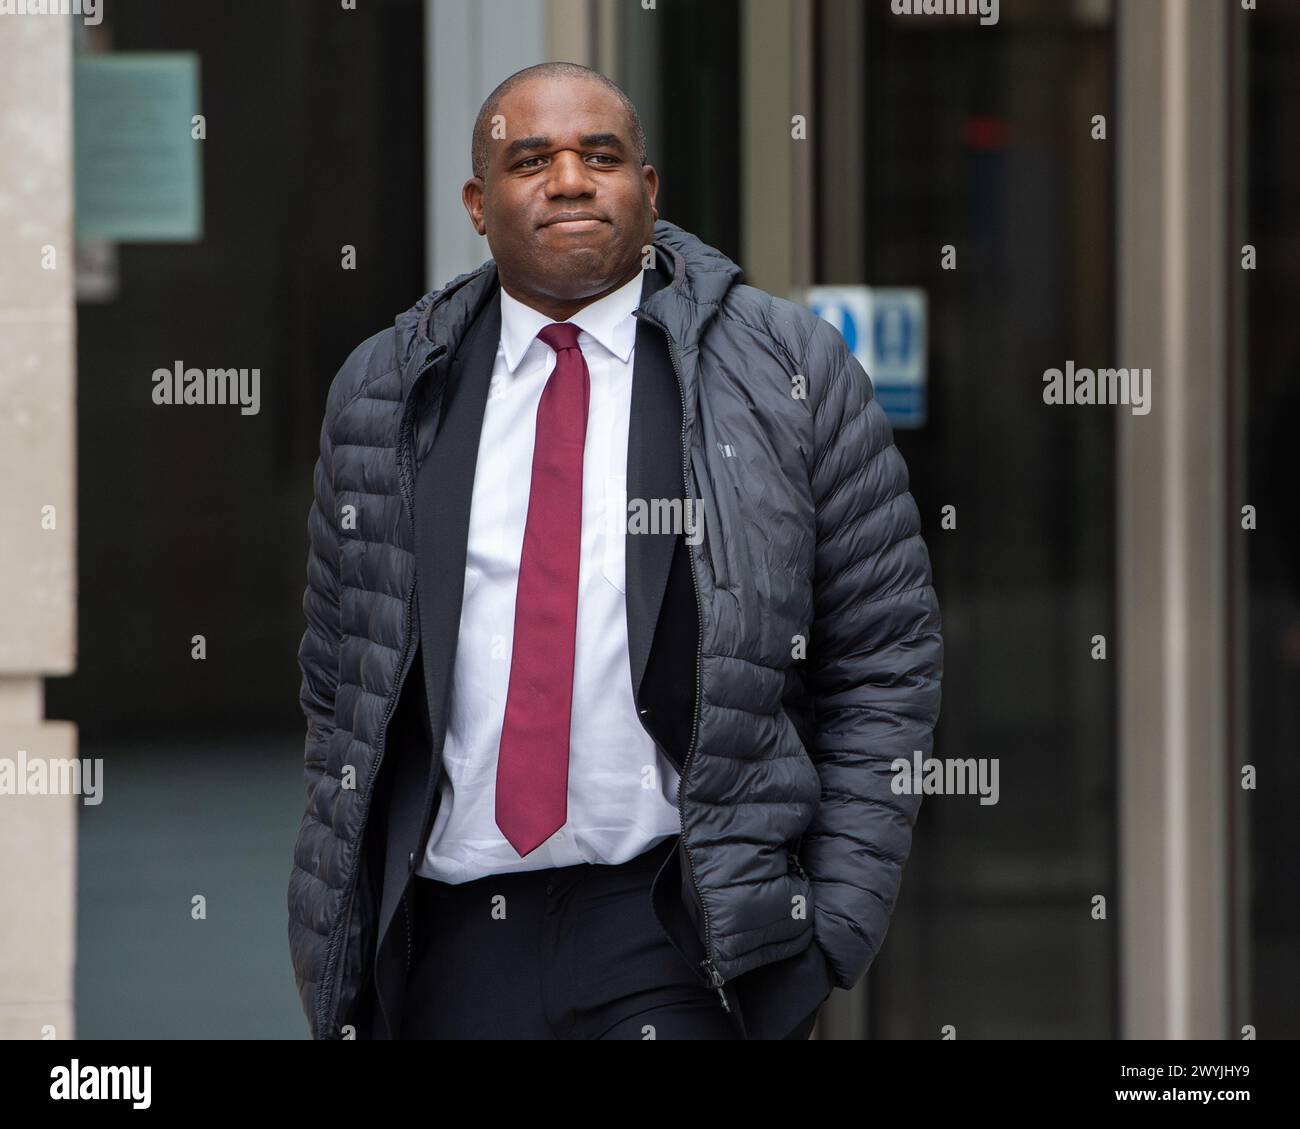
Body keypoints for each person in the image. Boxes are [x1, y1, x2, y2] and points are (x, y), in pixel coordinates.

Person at [287, 61, 943, 1040]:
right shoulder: (385, 390)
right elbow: (339, 683)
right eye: (529, 159)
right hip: (453, 938)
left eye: (601, 155)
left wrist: (831, 921)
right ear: (477, 202)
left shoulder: (786, 371)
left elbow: (884, 657)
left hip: (679, 932)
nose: (568, 179)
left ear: (648, 188)